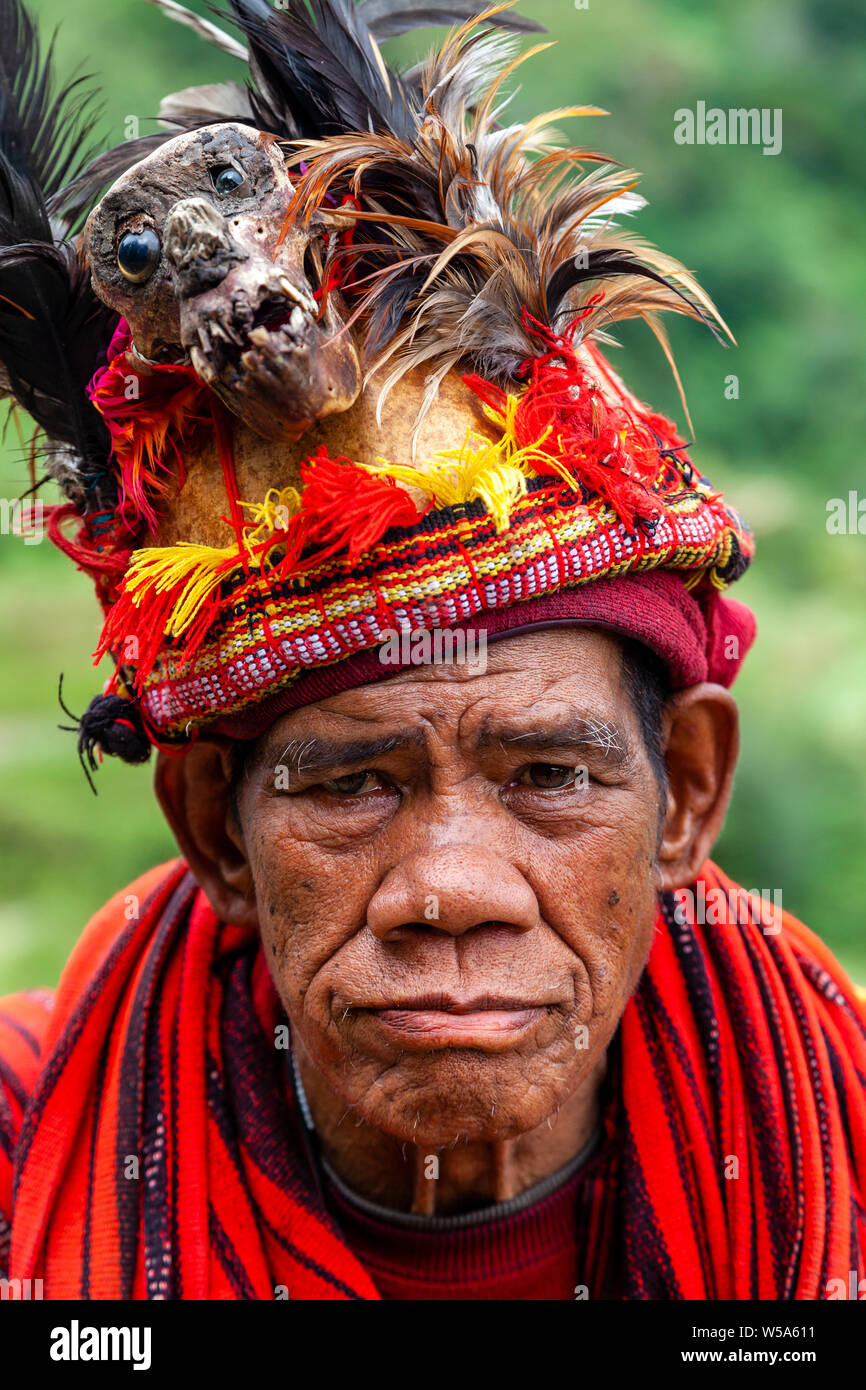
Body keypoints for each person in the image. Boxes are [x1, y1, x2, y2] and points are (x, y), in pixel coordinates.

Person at [0, 0, 863, 1301]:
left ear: (684, 790)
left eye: (548, 776)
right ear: (216, 834)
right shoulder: (24, 1137)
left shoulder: (832, 1134)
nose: (450, 890)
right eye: (351, 785)